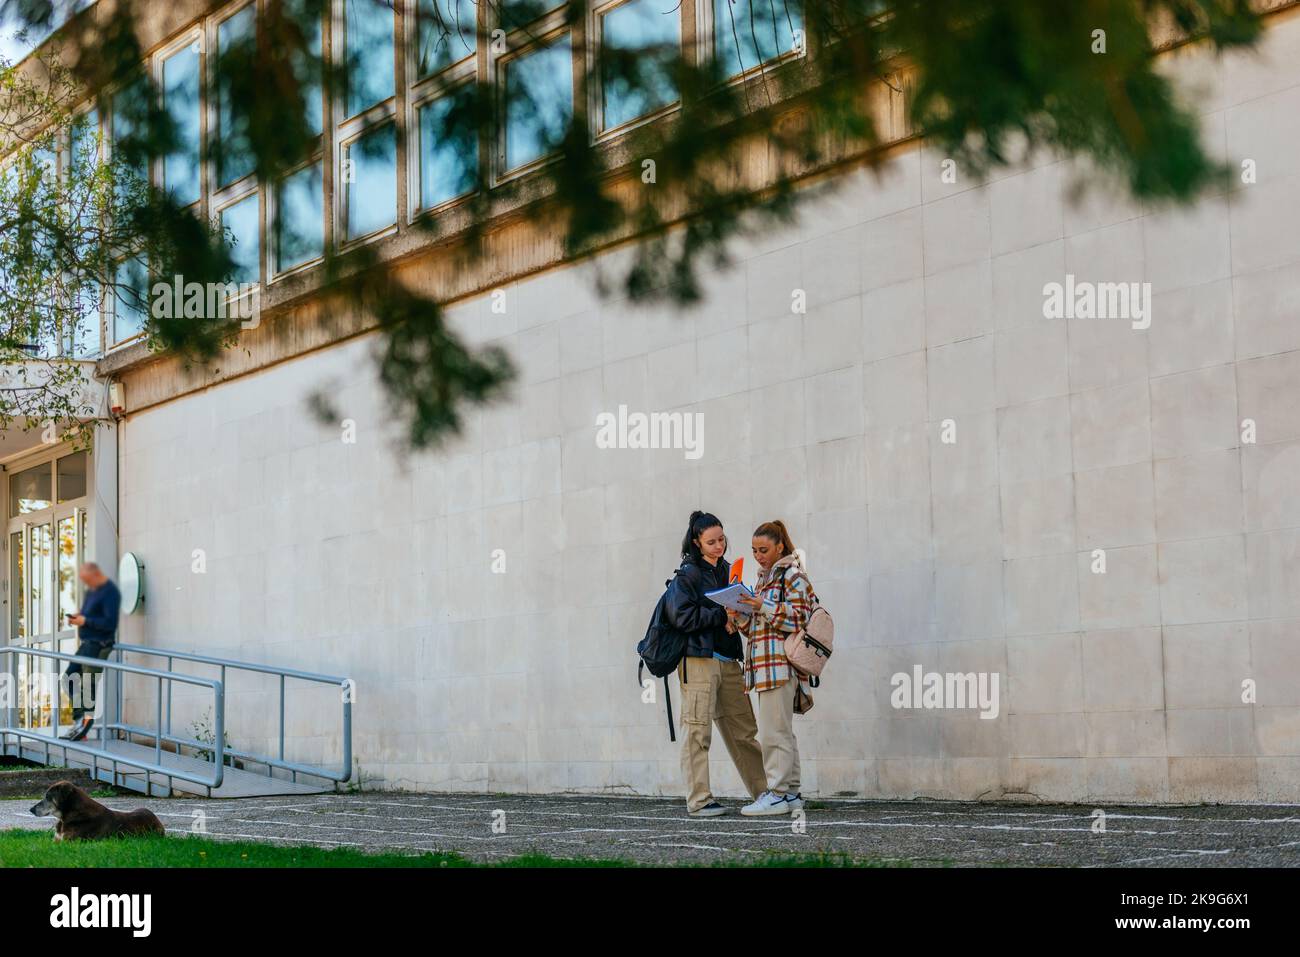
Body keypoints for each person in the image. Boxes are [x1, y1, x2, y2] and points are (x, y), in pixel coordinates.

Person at [672, 511, 766, 818]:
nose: (718, 546)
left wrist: (738, 614)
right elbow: (681, 617)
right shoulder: (688, 575)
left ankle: (764, 794)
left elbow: (733, 609)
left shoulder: (728, 570)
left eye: (721, 539)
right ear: (697, 542)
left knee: (744, 731)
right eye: (711, 542)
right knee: (698, 731)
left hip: (728, 661)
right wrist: (719, 616)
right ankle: (699, 800)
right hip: (698, 660)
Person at [731, 520, 813, 816]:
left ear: (780, 546)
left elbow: (799, 620)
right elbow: (757, 630)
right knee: (781, 732)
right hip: (764, 667)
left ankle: (777, 794)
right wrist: (739, 615)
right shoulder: (764, 579)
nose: (758, 555)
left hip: (780, 667)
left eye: (763, 549)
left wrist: (762, 604)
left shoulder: (793, 576)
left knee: (772, 734)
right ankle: (790, 793)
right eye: (754, 550)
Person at [60, 562, 121, 742]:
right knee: (69, 677)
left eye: (87, 580)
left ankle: (84, 725)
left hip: (99, 643)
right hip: (87, 643)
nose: (86, 584)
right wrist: (78, 617)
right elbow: (86, 613)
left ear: (95, 574)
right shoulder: (91, 591)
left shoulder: (110, 592)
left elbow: (109, 624)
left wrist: (85, 621)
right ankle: (80, 718)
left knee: (88, 682)